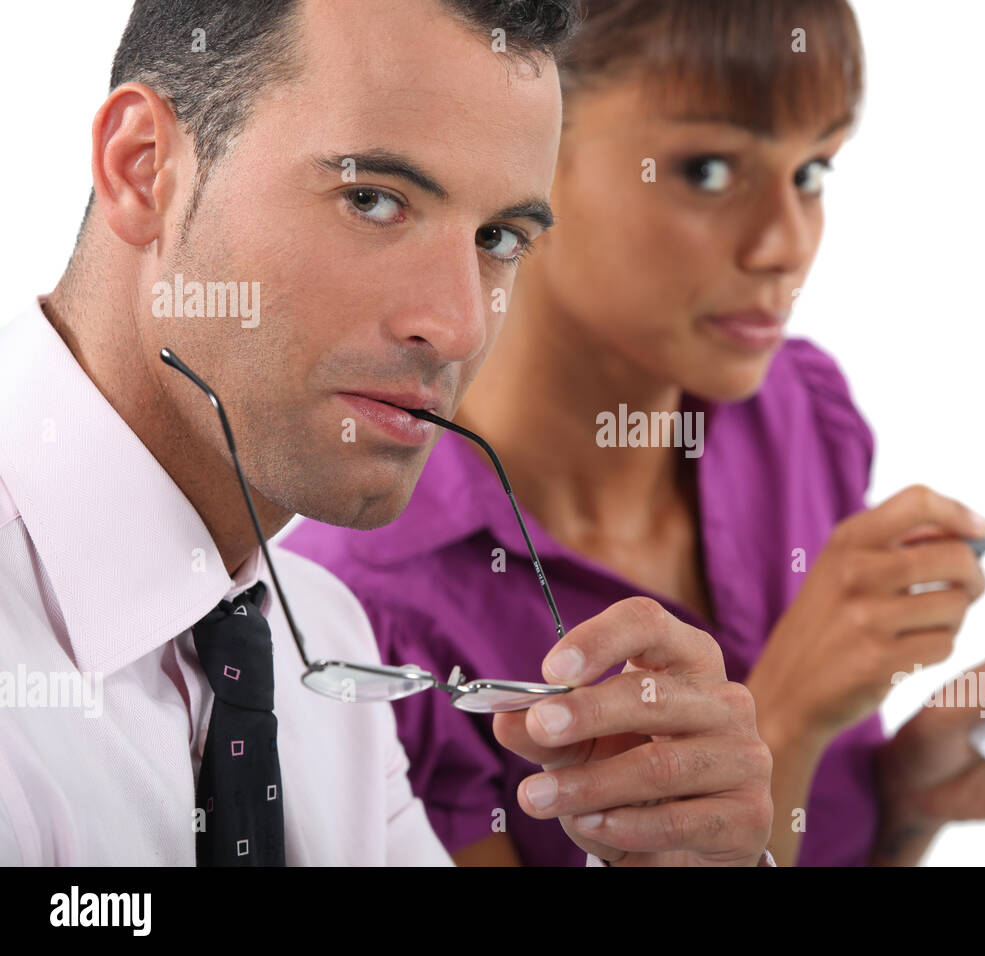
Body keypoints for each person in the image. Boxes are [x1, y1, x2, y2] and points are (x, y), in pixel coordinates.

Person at [0, 0, 775, 866]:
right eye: (372, 200)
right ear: (144, 169)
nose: (458, 327)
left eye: (499, 237)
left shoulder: (323, 648)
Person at [286, 0, 985, 867]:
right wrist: (786, 721)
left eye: (812, 171)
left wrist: (903, 806)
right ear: (526, 144)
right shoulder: (364, 611)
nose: (785, 245)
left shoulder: (798, 415)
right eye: (709, 171)